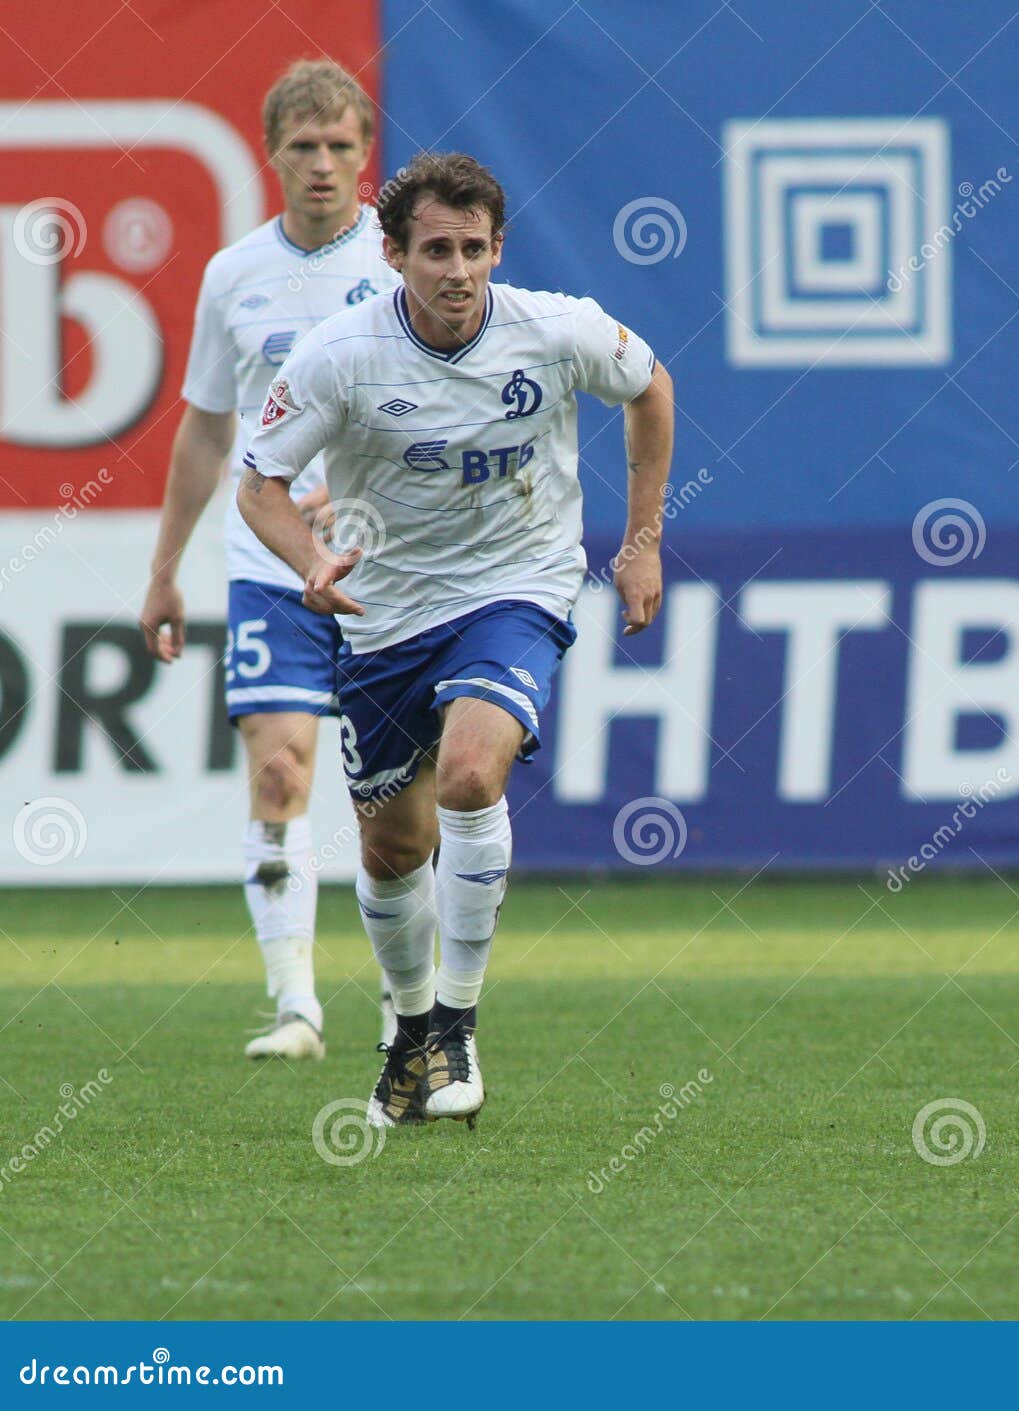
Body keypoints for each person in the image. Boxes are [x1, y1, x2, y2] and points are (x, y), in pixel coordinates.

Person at [237, 151, 673, 1128]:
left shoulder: (555, 329)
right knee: (393, 847)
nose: (457, 270)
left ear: (498, 249)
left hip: (518, 586)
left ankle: (457, 1027)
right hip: (384, 615)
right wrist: (308, 556)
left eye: (474, 249)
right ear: (393, 254)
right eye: (435, 250)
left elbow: (650, 388)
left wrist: (641, 544)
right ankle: (406, 1030)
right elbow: (258, 482)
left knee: (474, 774)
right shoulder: (340, 355)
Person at [139, 59, 402, 1061]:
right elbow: (209, 430)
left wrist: (374, 488)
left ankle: (407, 1007)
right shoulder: (233, 274)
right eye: (304, 146)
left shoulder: (403, 265)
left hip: (390, 567)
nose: (324, 164)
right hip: (270, 564)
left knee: (392, 802)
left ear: (365, 152)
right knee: (283, 772)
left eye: (341, 145)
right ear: (272, 153)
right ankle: (295, 1007)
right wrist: (165, 567)